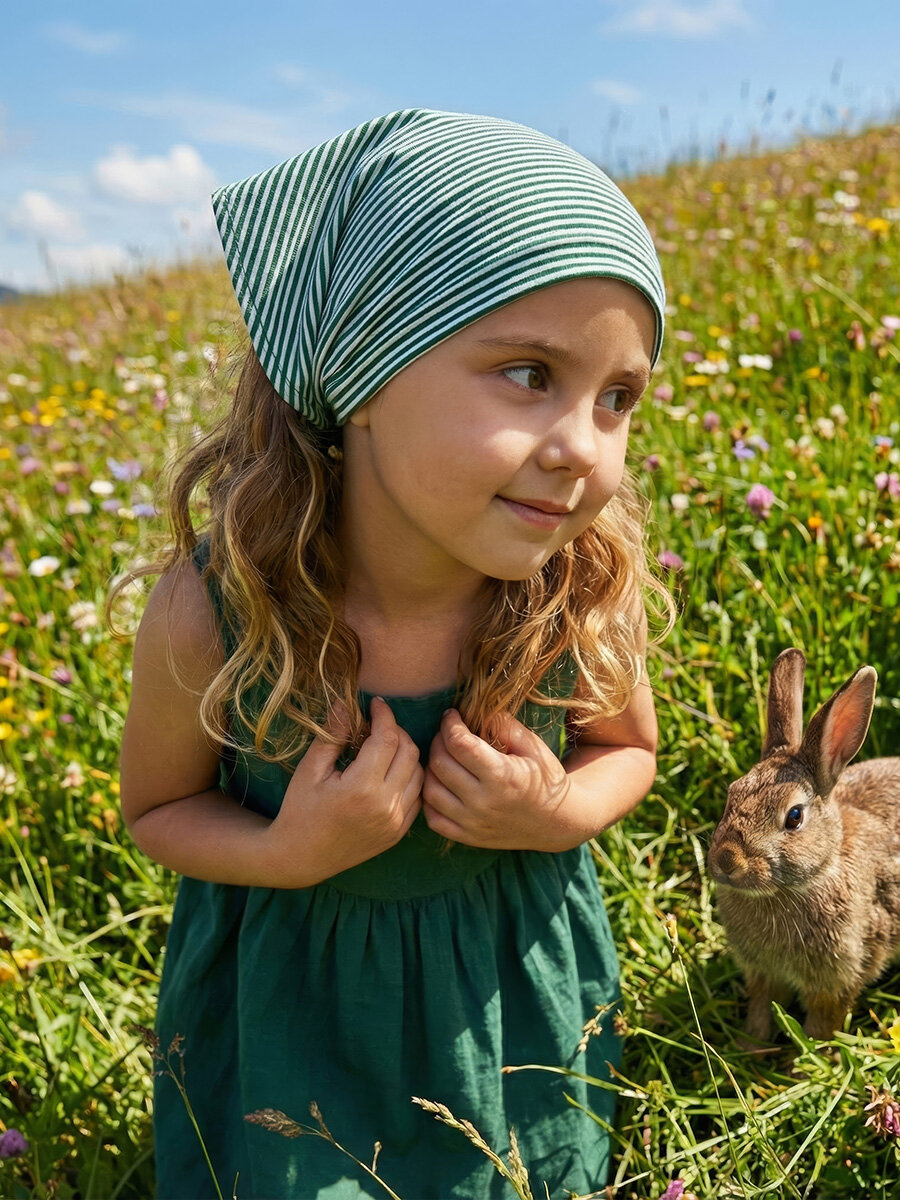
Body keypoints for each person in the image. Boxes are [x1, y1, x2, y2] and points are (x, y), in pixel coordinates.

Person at [114, 107, 674, 1200]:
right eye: (527, 375)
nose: (580, 448)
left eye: (617, 400)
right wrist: (290, 851)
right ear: (363, 371)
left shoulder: (573, 590)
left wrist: (552, 814)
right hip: (297, 1044)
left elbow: (631, 751)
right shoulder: (220, 611)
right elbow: (155, 811)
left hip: (506, 1023)